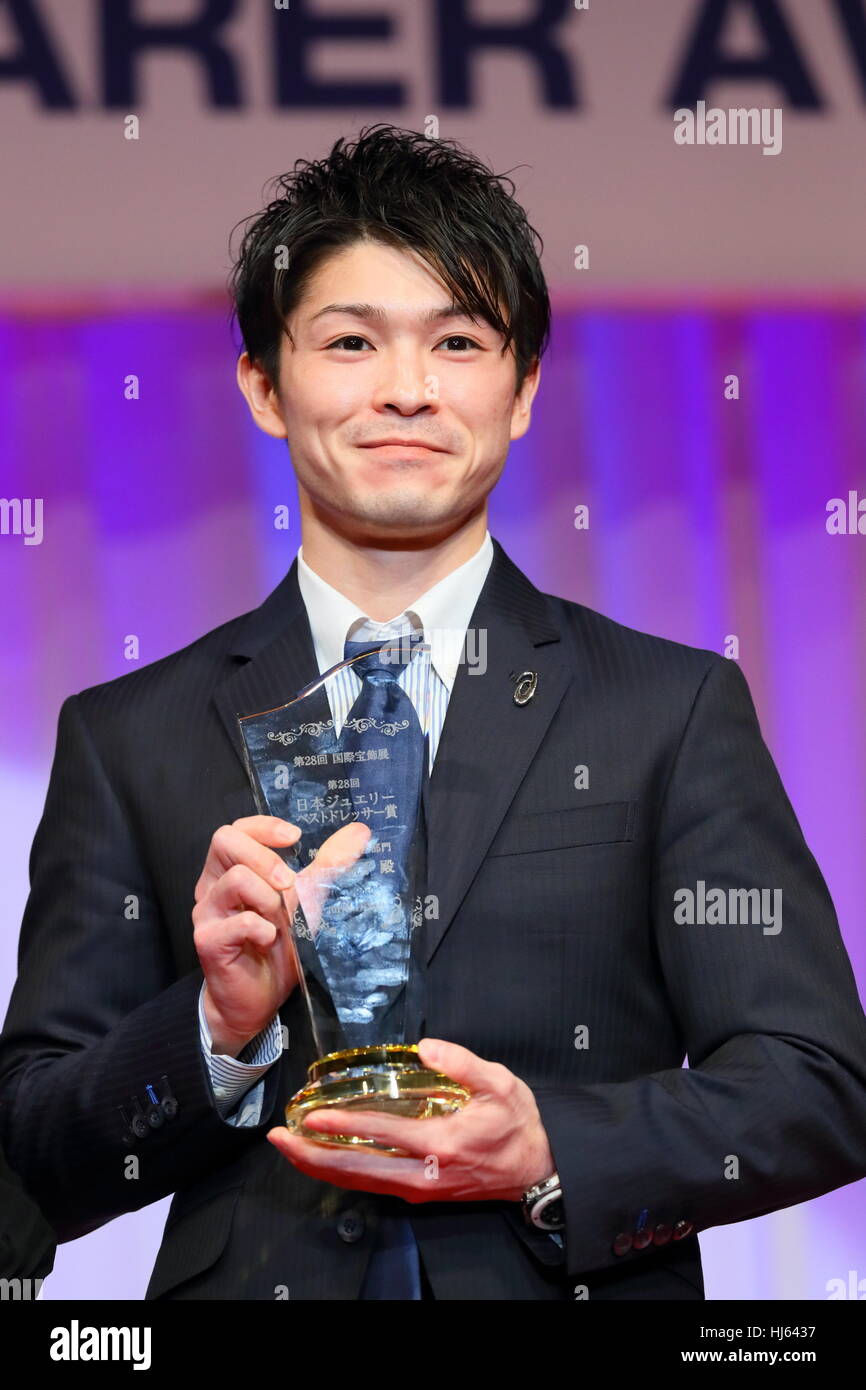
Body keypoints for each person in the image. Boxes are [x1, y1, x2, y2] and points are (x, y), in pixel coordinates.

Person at [1, 124, 865, 1301]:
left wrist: (551, 1147)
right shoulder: (128, 732)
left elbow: (815, 1080)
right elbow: (34, 1154)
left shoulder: (668, 707)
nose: (406, 388)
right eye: (350, 341)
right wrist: (216, 1024)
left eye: (457, 341)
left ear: (518, 394)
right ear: (263, 384)